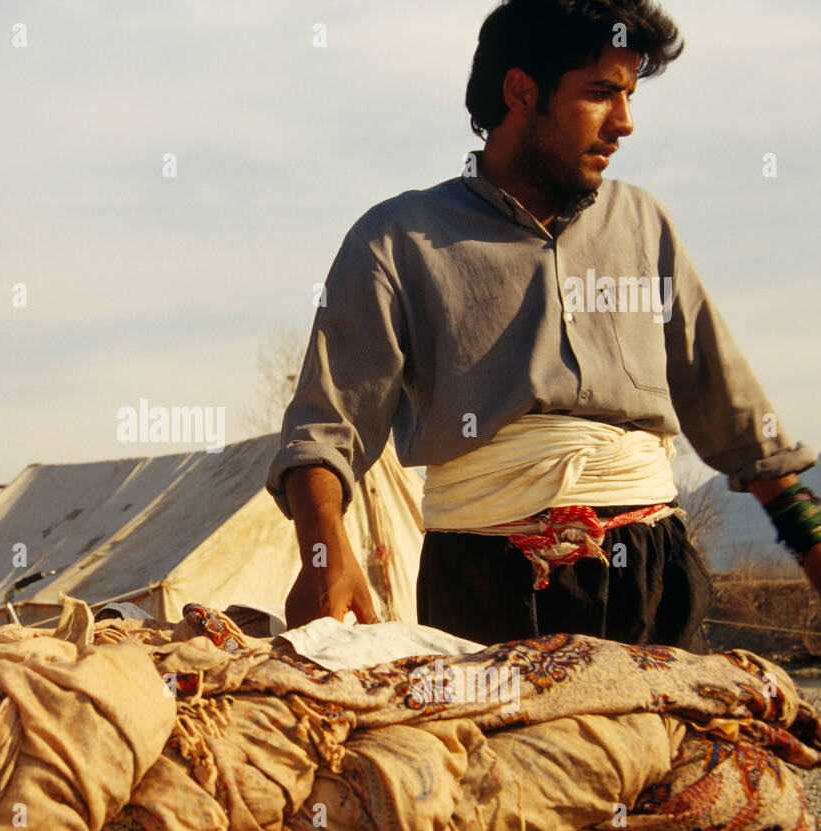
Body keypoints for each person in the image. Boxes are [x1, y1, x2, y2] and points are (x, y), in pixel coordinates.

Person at [268, 0, 821, 647]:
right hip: (482, 580)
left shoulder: (644, 225)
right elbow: (323, 431)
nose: (625, 124)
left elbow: (735, 416)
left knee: (674, 746)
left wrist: (812, 546)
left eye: (630, 97)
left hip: (653, 573)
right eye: (600, 94)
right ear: (521, 91)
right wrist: (323, 551)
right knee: (500, 750)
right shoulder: (398, 241)